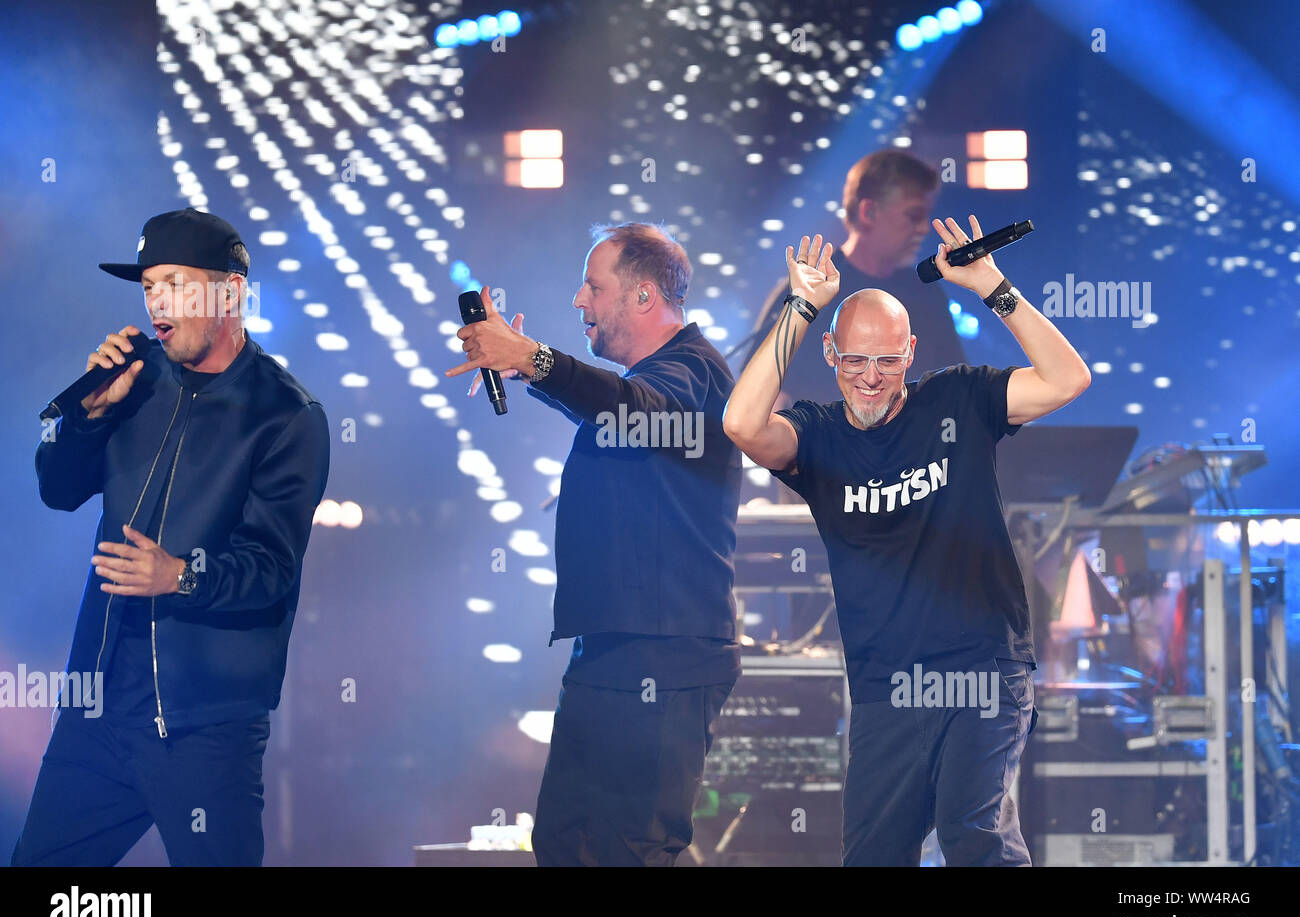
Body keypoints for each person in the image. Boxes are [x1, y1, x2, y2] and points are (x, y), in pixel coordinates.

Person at [723, 219, 1090, 866]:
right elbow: (741, 423)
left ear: (911, 353)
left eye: (887, 361)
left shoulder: (958, 399)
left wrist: (991, 285)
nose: (870, 377)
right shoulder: (818, 435)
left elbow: (1067, 379)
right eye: (855, 361)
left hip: (982, 672)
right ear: (831, 354)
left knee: (973, 835)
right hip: (886, 689)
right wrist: (801, 307)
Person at [13, 207, 330, 866]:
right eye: (149, 286)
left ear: (230, 292)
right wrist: (87, 420)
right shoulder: (133, 381)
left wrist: (180, 576)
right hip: (99, 708)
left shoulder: (284, 415)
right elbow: (57, 490)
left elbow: (271, 567)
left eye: (176, 284)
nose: (157, 302)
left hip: (202, 725)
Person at [447, 223, 741, 866]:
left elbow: (635, 411)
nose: (579, 300)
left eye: (593, 287)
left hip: (666, 653)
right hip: (610, 648)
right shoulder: (655, 380)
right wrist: (526, 368)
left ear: (643, 295)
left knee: (630, 848)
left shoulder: (697, 372)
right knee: (565, 843)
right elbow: (613, 412)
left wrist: (535, 358)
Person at [742, 149, 967, 406]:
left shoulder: (927, 292)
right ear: (868, 212)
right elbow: (760, 398)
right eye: (913, 215)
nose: (924, 228)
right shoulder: (810, 289)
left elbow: (955, 388)